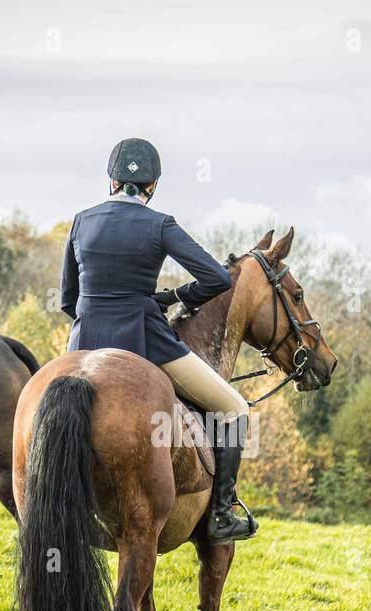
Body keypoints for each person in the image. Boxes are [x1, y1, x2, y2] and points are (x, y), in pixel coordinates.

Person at [61, 137, 256, 544]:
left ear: (110, 181)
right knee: (235, 408)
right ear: (153, 186)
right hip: (145, 338)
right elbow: (217, 279)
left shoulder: (81, 221)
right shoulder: (159, 224)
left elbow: (68, 299)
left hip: (83, 344)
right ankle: (220, 514)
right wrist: (174, 297)